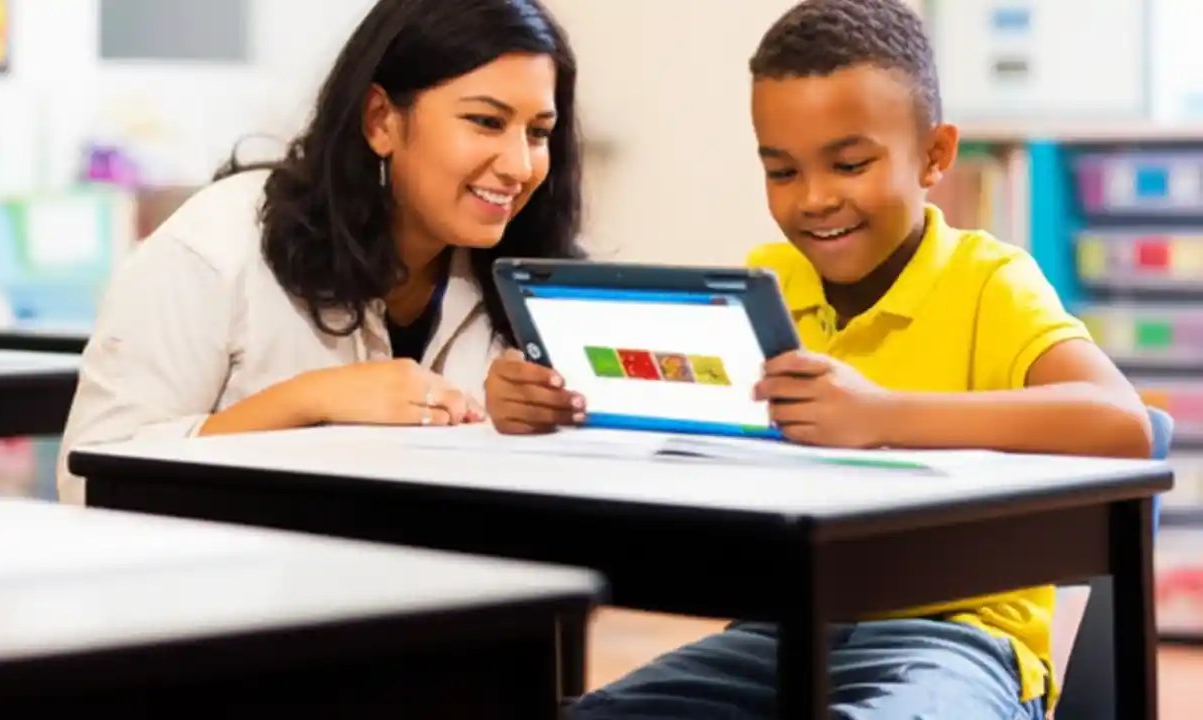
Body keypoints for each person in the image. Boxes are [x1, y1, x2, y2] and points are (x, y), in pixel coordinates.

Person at [487, 0, 1151, 717]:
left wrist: (883, 416)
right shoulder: (768, 284)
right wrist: (555, 404)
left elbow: (1122, 424)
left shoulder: (989, 280)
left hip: (954, 641)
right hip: (780, 631)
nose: (816, 199)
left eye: (851, 163)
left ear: (935, 154)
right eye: (781, 171)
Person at [56, 0, 583, 505]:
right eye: (486, 122)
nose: (519, 165)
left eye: (538, 133)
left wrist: (528, 429)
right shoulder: (217, 244)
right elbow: (89, 480)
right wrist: (309, 401)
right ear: (380, 119)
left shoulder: (536, 280)